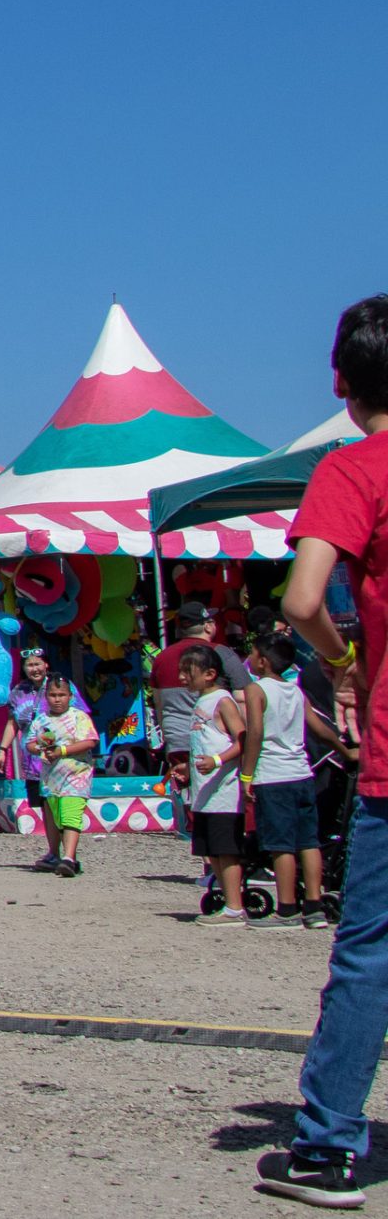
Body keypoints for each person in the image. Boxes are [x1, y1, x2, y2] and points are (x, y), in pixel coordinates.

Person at [263, 294, 388, 1207]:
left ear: (342, 385)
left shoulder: (354, 469)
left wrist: (343, 668)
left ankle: (328, 1143)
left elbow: (303, 599)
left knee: (371, 950)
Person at [242, 631, 347, 933]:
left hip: (273, 776)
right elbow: (321, 728)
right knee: (309, 842)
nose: (249, 658)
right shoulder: (295, 690)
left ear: (262, 661)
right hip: (302, 773)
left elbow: (256, 733)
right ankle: (313, 907)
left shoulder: (255, 690)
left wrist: (247, 775)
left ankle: (286, 908)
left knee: (281, 845)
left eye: (252, 653)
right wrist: (344, 750)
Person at [0, 645, 90, 870]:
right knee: (46, 806)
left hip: (64, 760)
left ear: (46, 664)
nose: (34, 668)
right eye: (29, 665)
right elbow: (13, 722)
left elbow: (80, 717)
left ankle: (69, 855)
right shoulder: (19, 691)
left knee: (64, 804)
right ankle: (54, 853)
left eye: (38, 663)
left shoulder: (60, 686)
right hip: (33, 760)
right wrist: (3, 749)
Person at [179, 644, 250, 927]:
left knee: (226, 848)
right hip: (204, 789)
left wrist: (219, 760)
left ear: (210, 674)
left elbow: (242, 739)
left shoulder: (223, 701)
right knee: (212, 849)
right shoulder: (201, 702)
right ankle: (226, 899)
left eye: (188, 672)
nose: (183, 678)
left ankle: (235, 906)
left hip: (224, 790)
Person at [151, 600, 250, 797]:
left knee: (190, 801)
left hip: (177, 741)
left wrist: (170, 737)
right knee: (220, 796)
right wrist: (247, 741)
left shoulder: (161, 658)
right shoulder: (219, 653)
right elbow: (243, 698)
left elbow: (159, 706)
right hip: (216, 745)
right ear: (207, 625)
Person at [26, 675, 98, 878]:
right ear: (46, 697)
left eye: (62, 695)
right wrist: (41, 749)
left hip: (76, 775)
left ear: (70, 696)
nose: (57, 699)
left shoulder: (79, 717)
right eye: (53, 695)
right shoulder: (42, 720)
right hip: (50, 779)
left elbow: (90, 741)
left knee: (71, 814)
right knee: (53, 815)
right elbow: (29, 743)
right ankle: (53, 853)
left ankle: (69, 857)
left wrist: (63, 751)